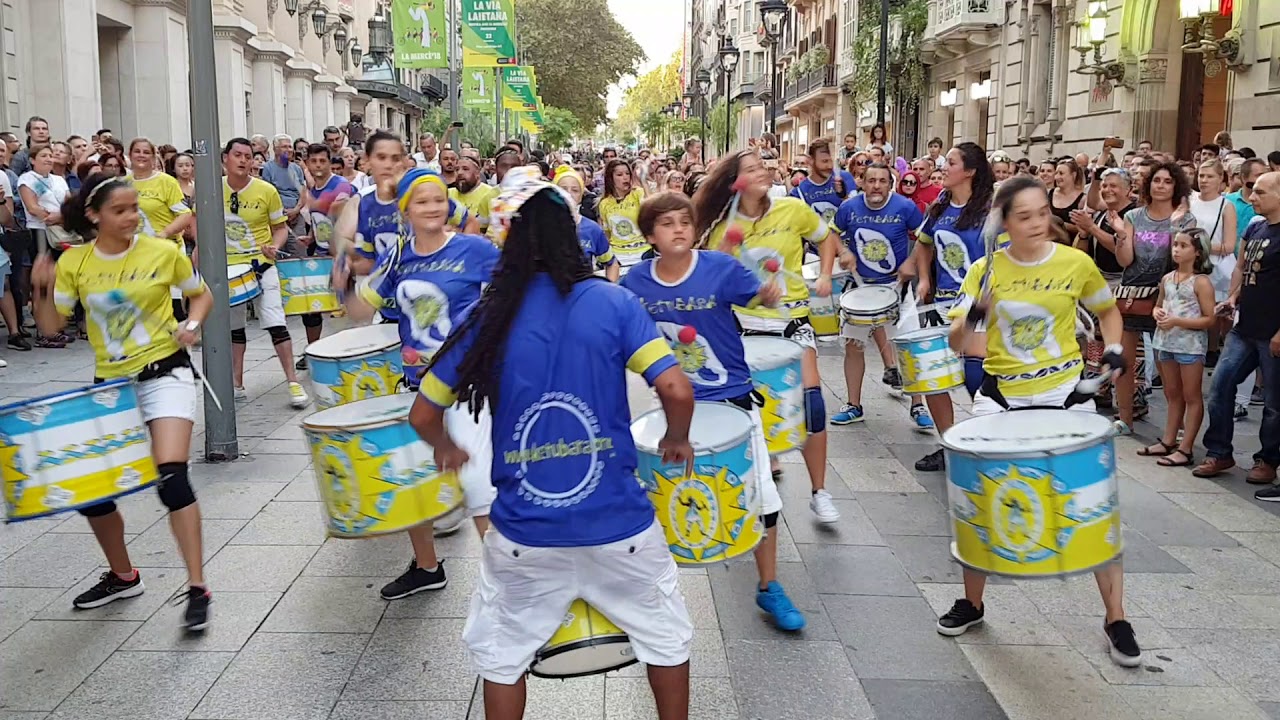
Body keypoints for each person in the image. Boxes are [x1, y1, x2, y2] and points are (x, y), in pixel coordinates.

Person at [409, 177, 696, 720]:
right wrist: (675, 438)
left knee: (502, 655)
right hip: (620, 527)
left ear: (508, 241)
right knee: (666, 637)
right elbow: (677, 389)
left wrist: (446, 448)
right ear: (572, 234)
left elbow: (422, 413)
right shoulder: (615, 302)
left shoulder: (488, 319)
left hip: (524, 534)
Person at [935, 175, 1140, 667]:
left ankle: (1115, 617)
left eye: (1042, 213)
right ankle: (973, 602)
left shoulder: (1075, 263)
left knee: (1095, 502)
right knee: (981, 502)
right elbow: (957, 344)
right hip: (1002, 399)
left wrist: (1112, 350)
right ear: (1004, 223)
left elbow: (1108, 313)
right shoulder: (985, 271)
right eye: (1024, 216)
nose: (1037, 223)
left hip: (1065, 397)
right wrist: (973, 315)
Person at [31, 174, 214, 630]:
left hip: (164, 371)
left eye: (135, 208)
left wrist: (191, 325)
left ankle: (197, 587)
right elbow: (53, 327)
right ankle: (122, 575)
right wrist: (40, 289)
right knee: (92, 494)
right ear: (95, 216)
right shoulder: (75, 263)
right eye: (121, 210)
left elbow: (201, 295)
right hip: (110, 384)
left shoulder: (163, 252)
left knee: (171, 478)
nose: (133, 217)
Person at [621, 191, 804, 631]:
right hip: (670, 409)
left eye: (685, 221)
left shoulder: (719, 268)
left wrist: (767, 295)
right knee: (658, 498)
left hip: (733, 400)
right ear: (650, 235)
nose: (679, 229)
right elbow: (618, 335)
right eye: (667, 223)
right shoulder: (635, 283)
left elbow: (756, 299)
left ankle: (770, 586)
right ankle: (651, 589)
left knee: (761, 494)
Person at [336, 168, 499, 598]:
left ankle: (507, 580)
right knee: (411, 480)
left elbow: (511, 294)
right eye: (422, 201)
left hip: (468, 384)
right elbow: (358, 310)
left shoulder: (475, 249)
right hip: (417, 383)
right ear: (405, 209)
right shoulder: (397, 257)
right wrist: (341, 279)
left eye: (439, 199)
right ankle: (427, 567)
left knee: (479, 482)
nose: (433, 207)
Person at [694, 149, 843, 523]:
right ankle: (751, 482)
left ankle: (819, 491)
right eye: (751, 168)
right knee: (749, 411)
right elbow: (714, 284)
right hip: (743, 329)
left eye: (763, 165)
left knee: (812, 405)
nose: (762, 171)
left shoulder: (791, 208)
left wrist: (824, 274)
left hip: (791, 322)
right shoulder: (721, 227)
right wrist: (726, 253)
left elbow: (827, 239)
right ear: (736, 182)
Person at [911, 142, 996, 472]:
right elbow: (923, 243)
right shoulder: (940, 207)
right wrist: (923, 278)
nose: (943, 167)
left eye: (951, 162)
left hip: (980, 305)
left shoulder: (991, 212)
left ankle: (988, 439)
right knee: (933, 377)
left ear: (971, 171)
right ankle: (949, 444)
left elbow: (1004, 257)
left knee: (975, 376)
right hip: (943, 302)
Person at [829, 163, 933, 431]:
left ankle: (918, 404)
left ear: (890, 184)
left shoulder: (905, 207)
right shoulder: (849, 208)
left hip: (897, 289)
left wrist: (915, 268)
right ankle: (853, 405)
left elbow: (924, 239)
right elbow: (831, 233)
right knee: (854, 347)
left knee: (910, 347)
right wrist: (843, 251)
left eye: (882, 181)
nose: (876, 185)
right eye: (871, 180)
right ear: (861, 182)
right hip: (860, 288)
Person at [1196, 172, 1280, 495]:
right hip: (1245, 327)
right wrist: (1232, 297)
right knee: (1220, 386)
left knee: (1274, 402)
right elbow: (1242, 267)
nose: (1252, 197)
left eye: (1260, 192)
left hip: (1271, 331)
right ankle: (1219, 452)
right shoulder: (1255, 226)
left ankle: (1267, 459)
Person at [220, 137, 310, 407]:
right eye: (237, 155)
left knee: (276, 323)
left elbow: (280, 227)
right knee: (234, 328)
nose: (243, 160)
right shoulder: (212, 190)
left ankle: (293, 382)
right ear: (225, 158)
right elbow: (200, 226)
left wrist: (275, 245)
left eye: (248, 156)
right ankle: (236, 382)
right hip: (228, 267)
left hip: (261, 264)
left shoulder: (266, 190)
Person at [1111, 161, 1194, 435]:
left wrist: (1174, 226)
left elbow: (1183, 260)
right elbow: (1126, 261)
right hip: (1132, 294)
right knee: (1124, 360)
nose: (1161, 186)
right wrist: (1122, 237)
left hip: (1168, 296)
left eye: (1167, 181)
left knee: (1166, 364)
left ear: (1176, 186)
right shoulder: (1134, 216)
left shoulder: (1185, 219)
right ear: (1148, 185)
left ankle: (1177, 426)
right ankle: (1125, 418)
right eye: (1156, 180)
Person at [1139, 228, 1215, 467]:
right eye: (1175, 245)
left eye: (1183, 246)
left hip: (1190, 346)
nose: (1177, 250)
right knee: (1172, 394)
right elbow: (1158, 304)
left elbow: (1209, 319)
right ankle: (1169, 439)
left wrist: (1178, 321)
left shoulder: (1201, 282)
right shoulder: (1167, 278)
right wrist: (1157, 312)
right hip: (1165, 341)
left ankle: (1186, 446)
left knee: (1191, 395)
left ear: (1198, 252)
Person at [294, 143, 354, 370]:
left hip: (344, 254)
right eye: (314, 161)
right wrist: (310, 236)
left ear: (330, 163)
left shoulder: (341, 184)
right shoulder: (310, 189)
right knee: (311, 308)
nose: (318, 165)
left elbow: (340, 204)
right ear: (307, 163)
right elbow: (318, 218)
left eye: (323, 161)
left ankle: (350, 354)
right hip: (320, 252)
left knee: (344, 308)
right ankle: (314, 351)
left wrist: (315, 202)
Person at [553, 166, 619, 281]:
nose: (569, 194)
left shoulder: (592, 229)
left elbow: (611, 263)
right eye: (563, 189)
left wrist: (609, 290)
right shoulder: (541, 227)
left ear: (581, 195)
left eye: (575, 190)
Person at [790, 138, 855, 228]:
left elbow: (856, 214)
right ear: (811, 161)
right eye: (824, 161)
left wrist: (844, 197)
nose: (830, 166)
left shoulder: (845, 178)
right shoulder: (799, 192)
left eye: (831, 160)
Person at [598, 159, 648, 270]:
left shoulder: (637, 193)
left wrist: (643, 181)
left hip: (642, 252)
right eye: (619, 175)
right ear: (611, 179)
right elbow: (607, 233)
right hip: (618, 255)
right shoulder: (604, 203)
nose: (625, 177)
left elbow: (652, 208)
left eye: (627, 174)